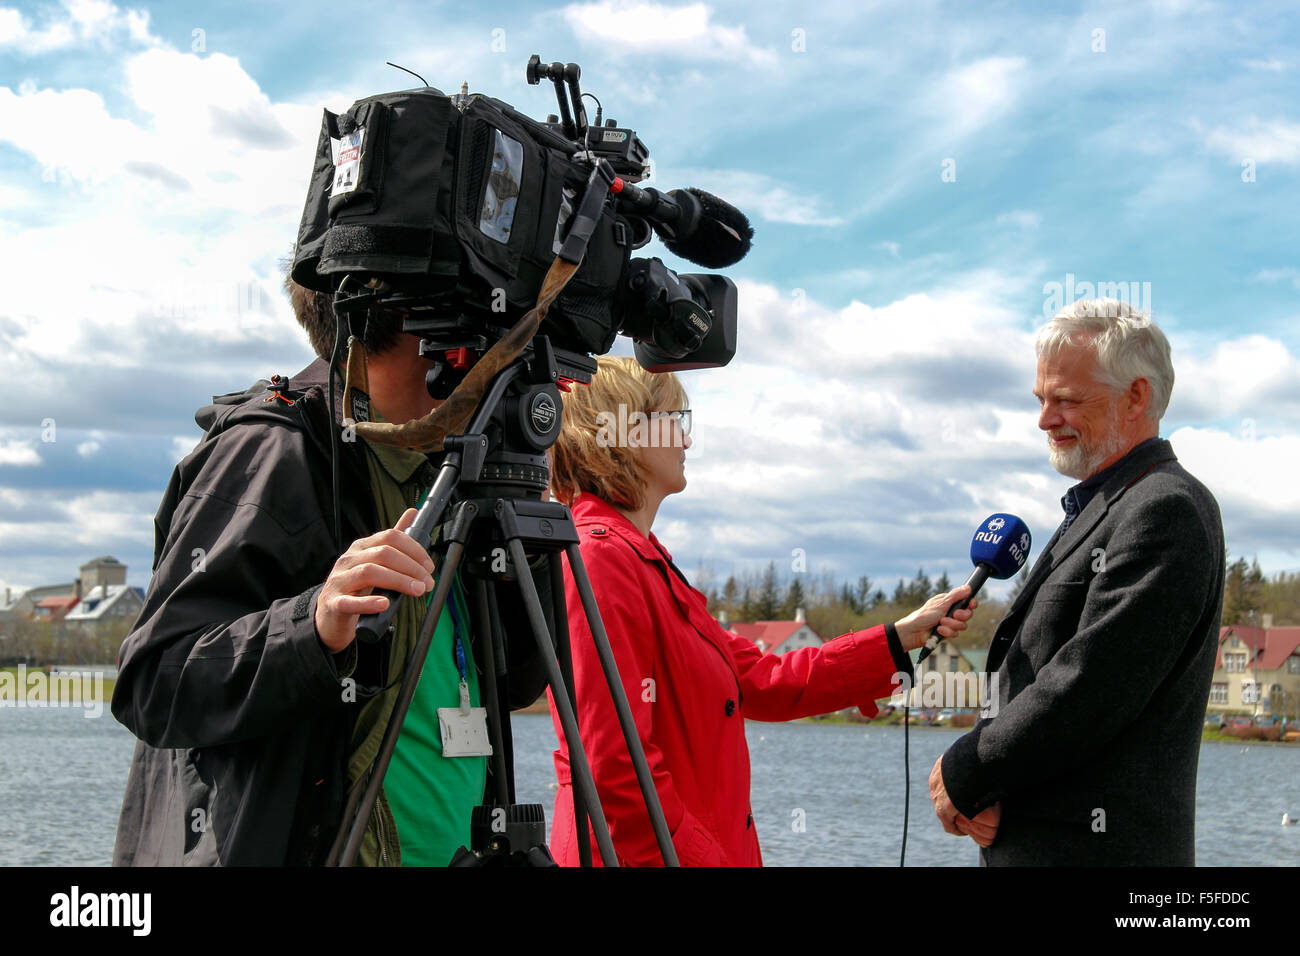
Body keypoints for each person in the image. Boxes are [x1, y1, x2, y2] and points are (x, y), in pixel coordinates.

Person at [111, 279, 546, 865]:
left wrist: (530, 521)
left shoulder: (457, 465)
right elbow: (153, 681)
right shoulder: (273, 451)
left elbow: (516, 683)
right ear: (394, 314)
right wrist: (312, 625)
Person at [546, 356, 979, 866]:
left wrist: (900, 637)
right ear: (626, 432)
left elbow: (760, 677)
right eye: (675, 421)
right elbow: (613, 773)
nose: (687, 440)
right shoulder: (601, 558)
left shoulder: (642, 558)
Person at [929, 299, 1225, 865]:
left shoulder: (1165, 507)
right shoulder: (1111, 502)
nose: (1044, 420)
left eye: (1066, 400)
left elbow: (1092, 684)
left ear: (1136, 396)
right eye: (1041, 400)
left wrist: (969, 771)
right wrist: (991, 790)